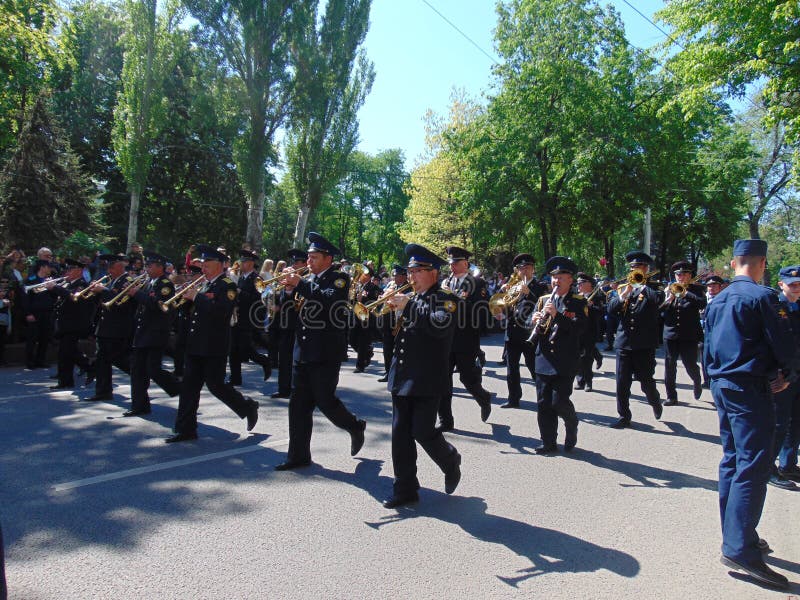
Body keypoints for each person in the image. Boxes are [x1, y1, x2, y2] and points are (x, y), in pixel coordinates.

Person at [704, 239, 797, 590]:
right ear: (761, 263)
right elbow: (783, 346)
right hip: (748, 388)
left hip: (723, 385)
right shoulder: (762, 297)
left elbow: (709, 348)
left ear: (734, 263)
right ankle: (739, 547)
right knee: (754, 463)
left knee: (733, 459)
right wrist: (787, 375)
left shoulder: (719, 299)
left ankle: (737, 534)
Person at [273, 232, 366, 470]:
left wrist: (299, 284)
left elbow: (329, 302)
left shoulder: (339, 279)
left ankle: (354, 426)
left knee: (325, 401)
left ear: (328, 258)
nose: (309, 262)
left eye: (314, 257)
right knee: (298, 406)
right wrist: (285, 292)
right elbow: (290, 311)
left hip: (325, 352)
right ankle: (298, 455)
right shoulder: (308, 280)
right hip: (302, 350)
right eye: (309, 257)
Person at [382, 243, 462, 508]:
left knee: (423, 431)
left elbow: (439, 326)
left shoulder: (447, 299)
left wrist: (408, 307)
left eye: (417, 271)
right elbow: (397, 334)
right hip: (403, 374)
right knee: (399, 434)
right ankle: (405, 488)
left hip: (428, 377)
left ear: (433, 273)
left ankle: (450, 459)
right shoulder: (411, 298)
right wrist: (392, 309)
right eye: (410, 271)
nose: (411, 276)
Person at [167, 245, 259, 442]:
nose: (204, 268)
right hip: (196, 343)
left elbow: (222, 312)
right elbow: (193, 312)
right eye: (203, 264)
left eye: (208, 264)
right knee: (189, 387)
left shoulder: (228, 285)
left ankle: (247, 406)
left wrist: (196, 297)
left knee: (216, 386)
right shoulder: (204, 284)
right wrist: (185, 300)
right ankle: (185, 429)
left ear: (219, 265)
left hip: (214, 345)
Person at [529, 257, 587, 453]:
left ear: (571, 280)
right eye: (554, 278)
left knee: (558, 401)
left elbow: (580, 328)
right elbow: (535, 325)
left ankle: (571, 423)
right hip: (543, 359)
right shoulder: (543, 300)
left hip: (565, 360)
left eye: (561, 278)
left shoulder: (579, 302)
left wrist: (558, 315)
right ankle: (548, 442)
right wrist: (534, 319)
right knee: (544, 404)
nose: (556, 281)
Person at [606, 251, 664, 429]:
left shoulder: (655, 287)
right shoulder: (623, 288)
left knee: (646, 381)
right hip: (624, 343)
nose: (635, 270)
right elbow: (611, 309)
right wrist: (623, 295)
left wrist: (643, 286)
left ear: (646, 269)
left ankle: (655, 401)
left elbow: (658, 301)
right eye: (633, 268)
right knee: (622, 383)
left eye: (639, 267)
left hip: (644, 344)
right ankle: (624, 416)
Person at [438, 246, 492, 430]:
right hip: (446, 337)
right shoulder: (446, 282)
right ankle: (446, 420)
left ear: (465, 263)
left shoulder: (477, 283)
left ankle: (483, 397)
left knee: (467, 379)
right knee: (442, 380)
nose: (452, 267)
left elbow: (481, 310)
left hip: (466, 338)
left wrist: (452, 298)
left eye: (456, 263)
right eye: (451, 263)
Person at [125, 252, 181, 417]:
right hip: (143, 331)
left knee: (153, 370)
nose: (147, 268)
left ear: (159, 267)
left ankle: (179, 387)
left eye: (150, 266)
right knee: (137, 371)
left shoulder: (165, 284)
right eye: (146, 265)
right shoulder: (148, 282)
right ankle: (140, 405)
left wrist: (137, 294)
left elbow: (157, 305)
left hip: (156, 332)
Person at [494, 253, 545, 408]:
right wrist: (501, 308)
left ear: (533, 269)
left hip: (529, 334)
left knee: (533, 368)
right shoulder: (513, 286)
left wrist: (528, 292)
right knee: (512, 370)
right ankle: (513, 399)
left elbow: (542, 305)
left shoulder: (540, 286)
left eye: (528, 268)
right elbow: (507, 306)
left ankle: (544, 398)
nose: (524, 271)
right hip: (512, 332)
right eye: (521, 268)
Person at [85, 254, 136, 401]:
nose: (109, 271)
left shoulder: (128, 281)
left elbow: (121, 302)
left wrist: (103, 291)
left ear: (119, 267)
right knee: (103, 361)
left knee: (119, 359)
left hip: (119, 328)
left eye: (111, 268)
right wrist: (95, 291)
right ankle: (103, 392)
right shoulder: (111, 281)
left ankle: (141, 375)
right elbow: (101, 302)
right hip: (106, 327)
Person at [769, 265, 800, 490]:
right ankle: (768, 468)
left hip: (798, 373)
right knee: (779, 424)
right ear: (781, 284)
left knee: (796, 422)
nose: (797, 288)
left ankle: (788, 464)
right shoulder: (773, 307)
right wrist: (776, 373)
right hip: (782, 376)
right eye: (792, 285)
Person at [661, 261, 706, 405]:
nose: (681, 277)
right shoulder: (669, 289)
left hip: (689, 334)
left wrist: (686, 294)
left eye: (684, 274)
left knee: (690, 364)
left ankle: (697, 379)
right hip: (671, 333)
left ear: (689, 275)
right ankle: (671, 396)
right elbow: (658, 311)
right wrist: (668, 299)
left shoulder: (697, 289)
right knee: (670, 365)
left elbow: (702, 303)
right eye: (678, 274)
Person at [45, 258, 93, 389]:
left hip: (74, 324)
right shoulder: (68, 284)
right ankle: (84, 371)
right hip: (64, 323)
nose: (67, 272)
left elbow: (74, 298)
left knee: (65, 353)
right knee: (67, 352)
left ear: (79, 271)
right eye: (67, 269)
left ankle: (68, 379)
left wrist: (55, 287)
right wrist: (51, 289)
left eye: (70, 269)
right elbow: (60, 299)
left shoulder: (82, 284)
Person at [228, 249, 272, 386]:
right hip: (238, 317)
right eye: (241, 261)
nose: (241, 263)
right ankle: (235, 378)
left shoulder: (256, 279)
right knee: (233, 349)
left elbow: (258, 299)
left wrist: (241, 292)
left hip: (248, 318)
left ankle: (265, 362)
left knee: (245, 349)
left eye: (245, 261)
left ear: (251, 263)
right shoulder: (241, 277)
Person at [377, 264, 409, 383]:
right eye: (393, 275)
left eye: (396, 276)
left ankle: (400, 373)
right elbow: (383, 299)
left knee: (400, 349)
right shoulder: (392, 285)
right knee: (387, 348)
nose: (394, 278)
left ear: (403, 276)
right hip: (388, 321)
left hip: (400, 322)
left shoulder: (409, 288)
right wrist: (383, 296)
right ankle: (388, 372)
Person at [22, 259, 55, 369]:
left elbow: (54, 296)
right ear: (42, 267)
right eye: (48, 267)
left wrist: (53, 288)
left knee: (44, 338)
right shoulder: (30, 280)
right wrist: (28, 313)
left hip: (47, 312)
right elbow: (25, 299)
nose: (50, 269)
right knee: (32, 338)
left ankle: (41, 360)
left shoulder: (50, 280)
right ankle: (30, 362)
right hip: (35, 313)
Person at [575, 272, 604, 391]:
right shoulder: (576, 296)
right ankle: (580, 380)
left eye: (581, 283)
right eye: (578, 283)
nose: (579, 285)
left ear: (589, 284)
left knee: (587, 357)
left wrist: (591, 306)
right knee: (577, 357)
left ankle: (588, 381)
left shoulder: (597, 296)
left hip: (590, 331)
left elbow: (601, 312)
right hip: (577, 330)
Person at [351, 262, 379, 373]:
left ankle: (360, 365)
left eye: (364, 274)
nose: (362, 275)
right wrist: (354, 298)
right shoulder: (356, 285)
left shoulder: (374, 288)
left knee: (362, 341)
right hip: (355, 316)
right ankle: (367, 352)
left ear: (368, 276)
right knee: (351, 339)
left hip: (366, 318)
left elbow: (375, 302)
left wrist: (363, 299)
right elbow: (352, 301)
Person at [700, 275, 724, 388]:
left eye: (714, 285)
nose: (711, 288)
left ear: (720, 287)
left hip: (716, 334)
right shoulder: (703, 299)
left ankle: (715, 379)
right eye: (709, 285)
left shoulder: (723, 299)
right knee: (704, 357)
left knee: (715, 357)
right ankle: (706, 380)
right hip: (703, 333)